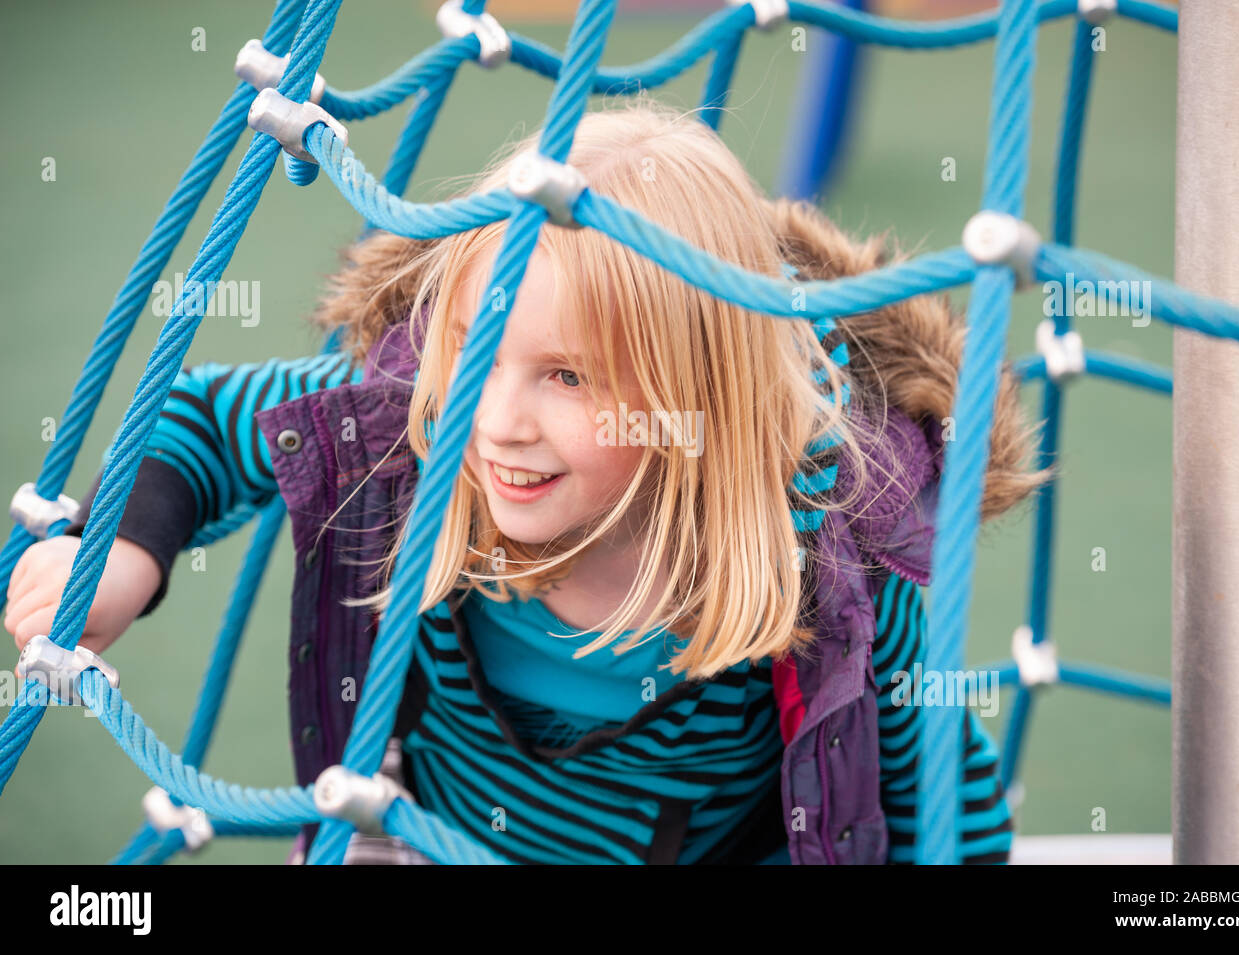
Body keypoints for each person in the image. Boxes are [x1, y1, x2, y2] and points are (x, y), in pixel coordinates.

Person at [6, 94, 1052, 864]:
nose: (495, 419)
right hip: (422, 832)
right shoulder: (413, 426)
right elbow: (202, 415)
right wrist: (121, 554)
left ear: (700, 401)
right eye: (473, 344)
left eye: (566, 375)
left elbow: (930, 797)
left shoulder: (825, 554)